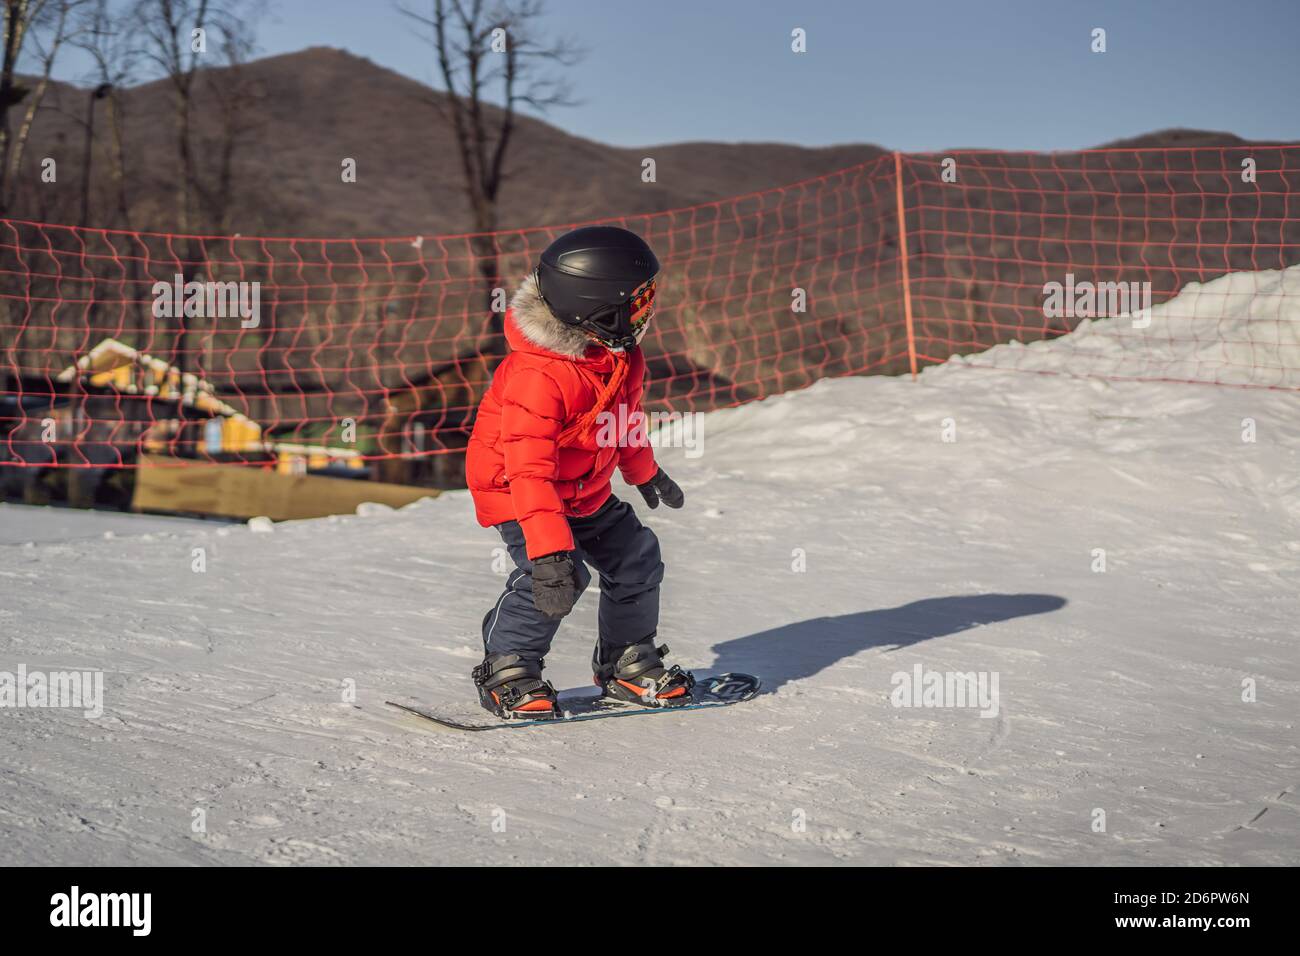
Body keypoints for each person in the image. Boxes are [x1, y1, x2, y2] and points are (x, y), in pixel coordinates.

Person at [464, 226, 691, 719]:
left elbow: (623, 421)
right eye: (639, 301)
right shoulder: (537, 378)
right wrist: (548, 553)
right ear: (598, 307)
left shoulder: (618, 356)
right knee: (557, 577)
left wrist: (645, 472)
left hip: (581, 489)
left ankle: (627, 665)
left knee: (637, 557)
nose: (648, 311)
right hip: (519, 492)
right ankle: (509, 670)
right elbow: (528, 472)